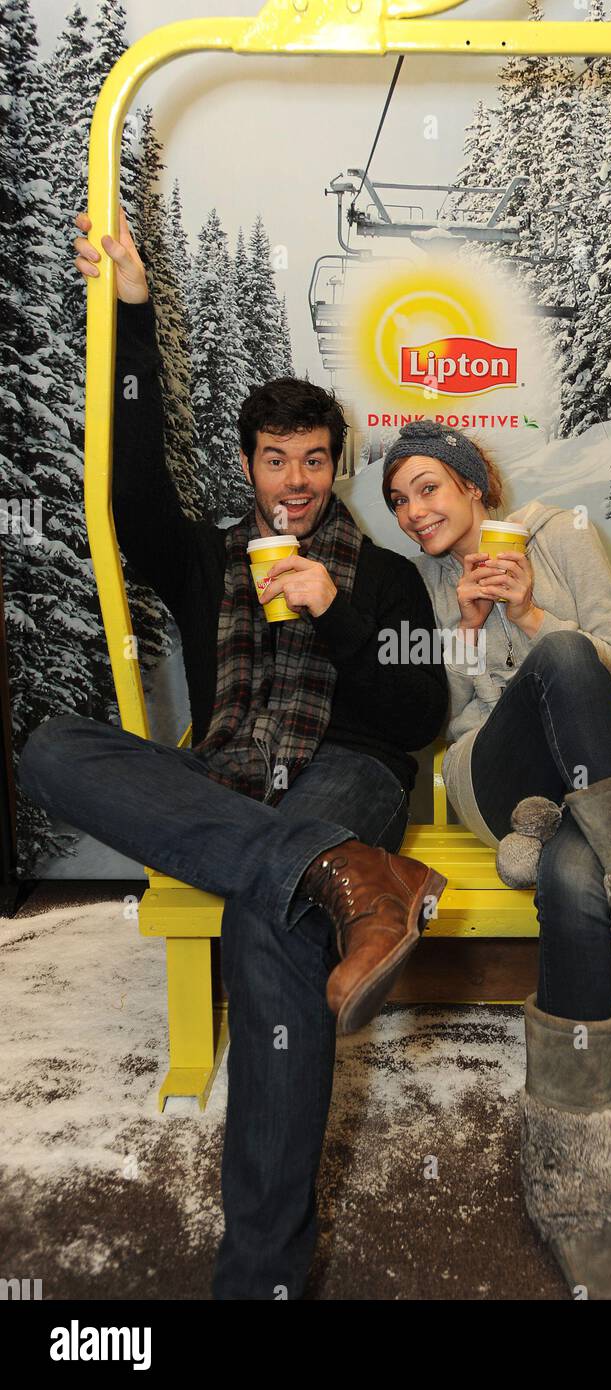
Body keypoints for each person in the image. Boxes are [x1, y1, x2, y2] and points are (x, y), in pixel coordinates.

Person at [18, 210, 449, 1301]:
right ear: (249, 464)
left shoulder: (384, 573)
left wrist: (338, 609)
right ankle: (343, 877)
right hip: (230, 777)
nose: (295, 481)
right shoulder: (208, 558)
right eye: (275, 460)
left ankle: (260, 1281)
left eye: (314, 460)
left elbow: (419, 715)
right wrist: (126, 314)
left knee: (270, 922)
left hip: (349, 767)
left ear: (335, 462)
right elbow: (123, 490)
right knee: (57, 746)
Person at [382, 419, 611, 1301]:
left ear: (472, 483)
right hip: (489, 779)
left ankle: (575, 1195)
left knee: (574, 872)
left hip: (585, 786)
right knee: (552, 676)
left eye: (427, 487)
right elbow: (432, 721)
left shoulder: (560, 533)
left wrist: (532, 611)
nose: (413, 512)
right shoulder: (413, 580)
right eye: (397, 500)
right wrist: (462, 628)